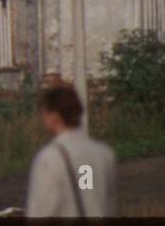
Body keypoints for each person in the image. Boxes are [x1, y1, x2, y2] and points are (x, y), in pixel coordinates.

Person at [26, 84, 117, 218]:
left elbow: (40, 213)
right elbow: (107, 205)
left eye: (45, 112)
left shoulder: (49, 158)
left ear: (54, 116)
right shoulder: (105, 154)